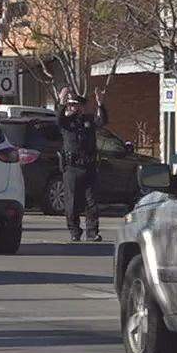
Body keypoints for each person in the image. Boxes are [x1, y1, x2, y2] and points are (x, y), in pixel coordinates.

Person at [58, 86, 108, 242]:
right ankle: (74, 231)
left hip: (88, 167)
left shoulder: (88, 121)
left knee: (91, 202)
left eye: (76, 105)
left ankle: (92, 232)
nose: (73, 107)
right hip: (72, 168)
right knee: (72, 203)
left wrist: (100, 104)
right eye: (70, 105)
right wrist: (61, 102)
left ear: (81, 106)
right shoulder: (66, 123)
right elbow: (58, 119)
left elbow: (102, 121)